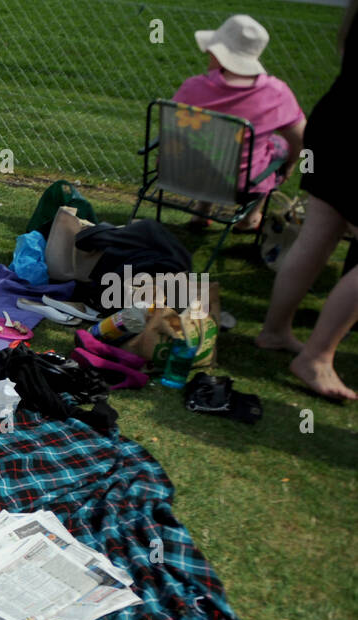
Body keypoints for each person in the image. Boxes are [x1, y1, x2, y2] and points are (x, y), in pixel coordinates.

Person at [255, 0, 358, 401]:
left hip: (333, 124)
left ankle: (274, 331)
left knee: (318, 233)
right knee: (319, 234)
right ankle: (317, 356)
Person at [172, 14, 306, 231]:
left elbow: (174, 130)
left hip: (183, 174)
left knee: (208, 141)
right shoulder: (275, 93)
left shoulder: (192, 87)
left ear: (220, 55)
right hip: (242, 186)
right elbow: (301, 138)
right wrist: (290, 165)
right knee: (277, 146)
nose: (208, 52)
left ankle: (201, 212)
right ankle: (250, 218)